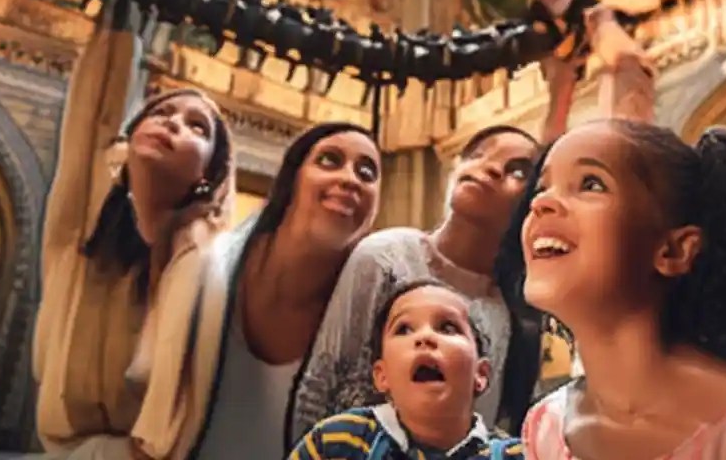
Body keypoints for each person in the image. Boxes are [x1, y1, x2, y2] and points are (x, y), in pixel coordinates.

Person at [506, 120, 726, 460]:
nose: (541, 202)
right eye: (542, 187)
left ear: (673, 251)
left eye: (591, 183)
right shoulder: (546, 427)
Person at [32, 0, 235, 459]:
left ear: (208, 174)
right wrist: (123, 5)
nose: (173, 122)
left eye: (196, 127)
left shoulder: (205, 265)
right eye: (161, 112)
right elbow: (88, 131)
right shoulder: (83, 246)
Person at [292, 125, 541, 438]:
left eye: (517, 171)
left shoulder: (509, 317)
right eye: (478, 154)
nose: (489, 167)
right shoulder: (387, 257)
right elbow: (319, 386)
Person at [183, 122, 383, 459]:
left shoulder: (369, 320)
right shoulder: (208, 266)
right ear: (293, 180)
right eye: (330, 160)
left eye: (367, 173)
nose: (350, 179)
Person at [289, 279, 523, 459]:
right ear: (382, 376)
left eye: (448, 327)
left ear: (480, 374)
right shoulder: (337, 441)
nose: (425, 337)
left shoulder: (517, 455)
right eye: (404, 329)